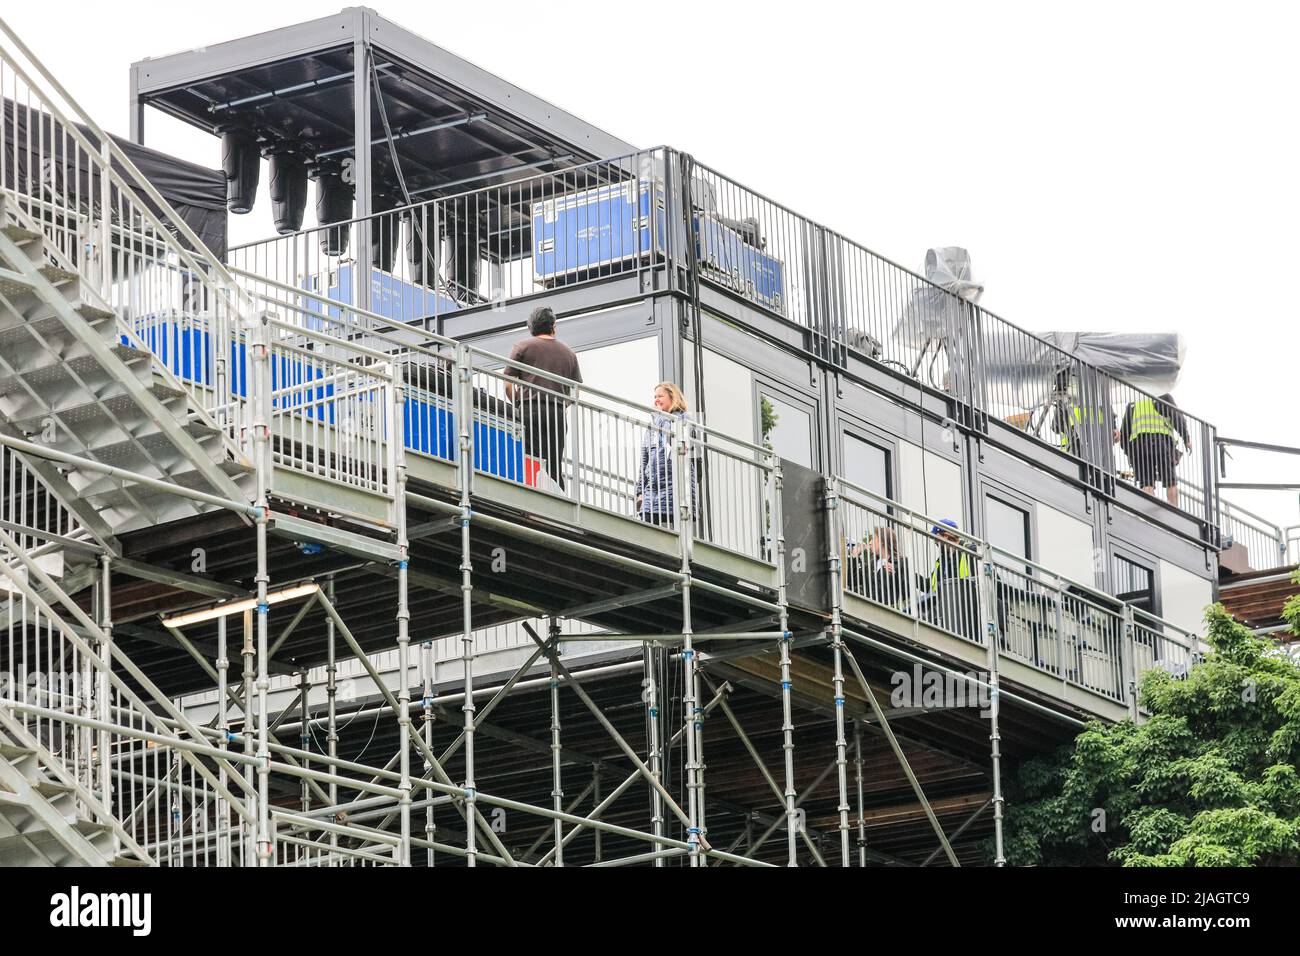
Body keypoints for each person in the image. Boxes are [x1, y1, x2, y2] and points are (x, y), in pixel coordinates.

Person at [505, 307, 582, 490]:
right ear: (553, 326)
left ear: (531, 327)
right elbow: (575, 392)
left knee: (530, 457)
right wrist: (563, 405)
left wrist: (517, 403)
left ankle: (532, 493)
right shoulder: (568, 353)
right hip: (556, 413)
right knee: (554, 461)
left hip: (529, 409)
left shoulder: (522, 347)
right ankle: (558, 498)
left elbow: (508, 383)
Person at [634, 382, 695, 527]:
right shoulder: (652, 426)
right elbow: (644, 460)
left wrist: (660, 417)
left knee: (674, 535)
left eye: (660, 396)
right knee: (645, 531)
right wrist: (639, 491)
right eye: (655, 397)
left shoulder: (683, 419)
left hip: (673, 488)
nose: (656, 400)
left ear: (672, 397)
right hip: (651, 492)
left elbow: (672, 438)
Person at [1115, 392, 1189, 506]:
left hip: (1139, 447)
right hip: (1162, 443)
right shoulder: (1164, 397)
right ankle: (1174, 511)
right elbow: (1177, 418)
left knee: (1146, 483)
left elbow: (1124, 434)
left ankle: (1151, 514)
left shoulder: (1134, 401)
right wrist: (1186, 438)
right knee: (1171, 482)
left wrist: (1130, 454)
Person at [925, 518, 979, 640]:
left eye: (937, 540)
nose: (937, 545)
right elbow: (930, 585)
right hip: (946, 610)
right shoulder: (942, 561)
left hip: (967, 609)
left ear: (946, 536)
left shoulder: (969, 551)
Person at [849, 526, 911, 608]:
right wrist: (854, 557)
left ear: (882, 541)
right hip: (870, 611)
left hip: (891, 612)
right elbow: (852, 581)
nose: (870, 542)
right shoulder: (871, 565)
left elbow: (908, 592)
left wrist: (895, 574)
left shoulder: (901, 562)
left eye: (874, 539)